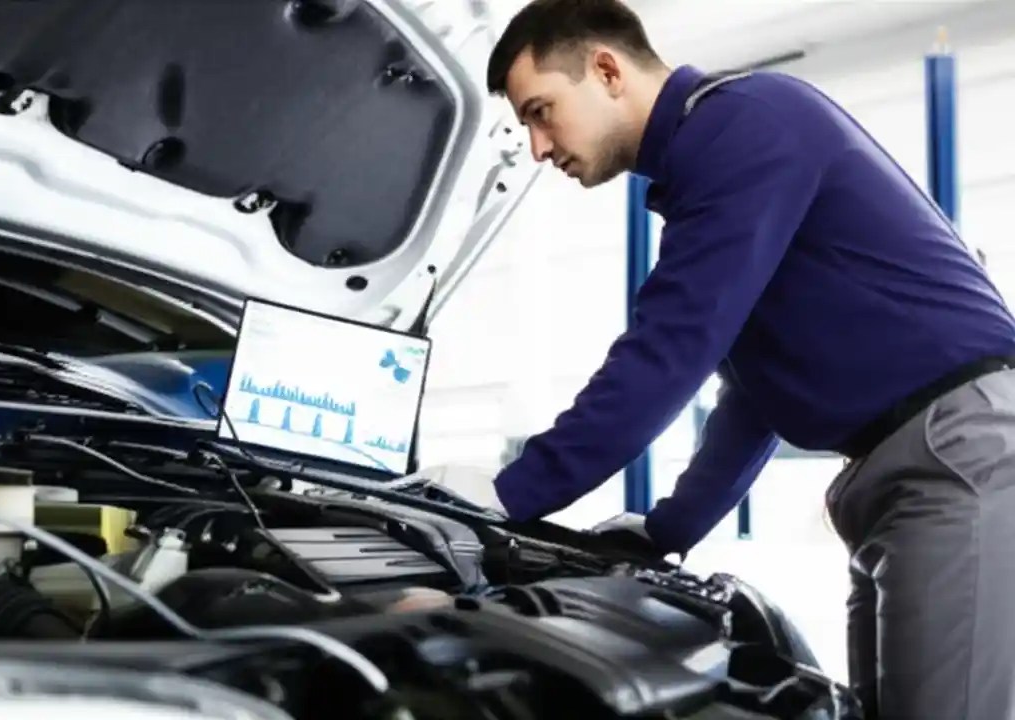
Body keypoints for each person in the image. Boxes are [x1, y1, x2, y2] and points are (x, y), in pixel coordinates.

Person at [403, 0, 1015, 717]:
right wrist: (665, 531)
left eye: (541, 111)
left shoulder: (746, 122)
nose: (537, 147)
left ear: (606, 70)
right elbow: (753, 395)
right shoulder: (715, 164)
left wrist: (508, 496)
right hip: (900, 474)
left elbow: (670, 348)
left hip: (952, 455)